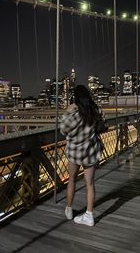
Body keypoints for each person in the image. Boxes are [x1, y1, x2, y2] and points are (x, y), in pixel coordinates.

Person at [60, 84, 107, 226]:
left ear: (76, 98)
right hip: (90, 153)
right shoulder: (96, 110)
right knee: (90, 184)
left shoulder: (73, 114)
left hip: (74, 153)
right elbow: (104, 126)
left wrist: (67, 112)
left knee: (72, 180)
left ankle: (68, 210)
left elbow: (63, 130)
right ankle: (89, 215)